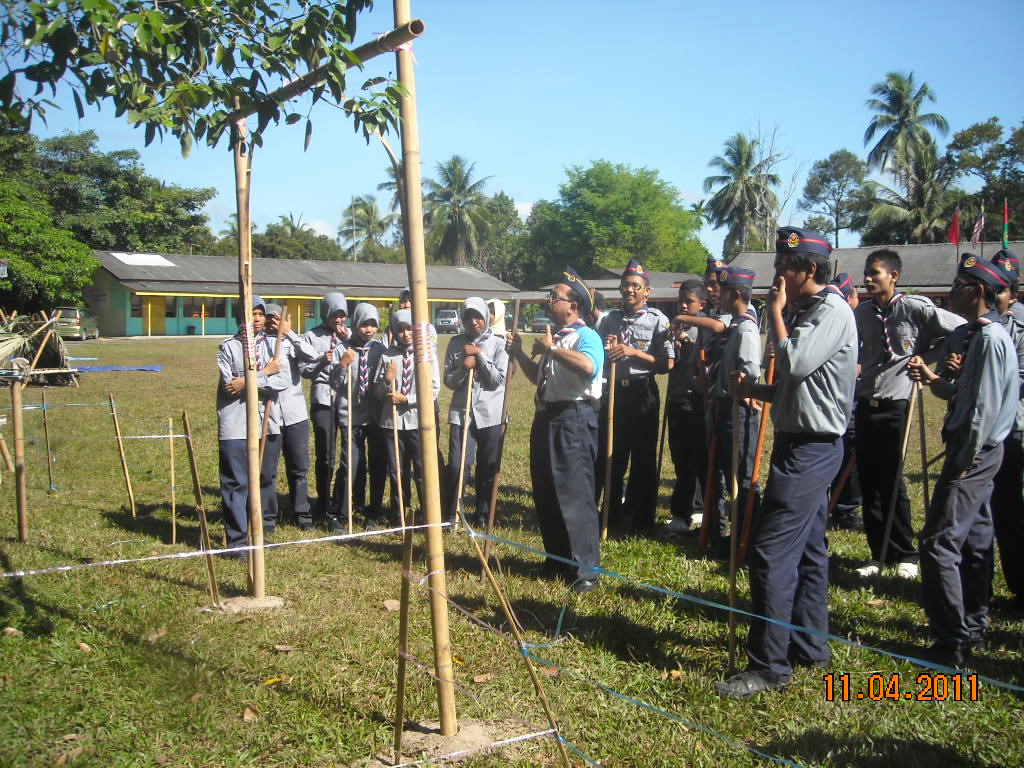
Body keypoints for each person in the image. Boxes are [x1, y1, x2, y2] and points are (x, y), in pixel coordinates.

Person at [714, 227, 857, 698]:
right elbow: (800, 388)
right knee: (810, 550)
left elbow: (794, 363)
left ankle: (769, 667)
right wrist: (754, 390)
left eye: (782, 271)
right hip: (798, 443)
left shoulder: (831, 310)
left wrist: (773, 313)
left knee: (771, 551)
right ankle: (811, 646)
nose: (777, 280)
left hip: (812, 450)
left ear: (809, 269)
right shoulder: (810, 311)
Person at [907, 253, 1018, 665]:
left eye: (958, 285)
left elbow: (984, 409)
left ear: (978, 291)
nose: (952, 292)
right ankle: (972, 626)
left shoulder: (989, 339)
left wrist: (965, 457)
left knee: (938, 543)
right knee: (975, 538)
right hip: (979, 449)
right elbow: (965, 394)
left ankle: (951, 640)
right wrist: (935, 379)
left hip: (975, 452)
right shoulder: (977, 335)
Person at [852, 249, 964, 579]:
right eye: (866, 273)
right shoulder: (863, 313)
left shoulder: (915, 308)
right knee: (869, 479)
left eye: (874, 273)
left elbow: (959, 329)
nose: (868, 279)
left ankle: (904, 552)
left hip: (897, 402)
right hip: (866, 401)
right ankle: (878, 553)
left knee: (891, 478)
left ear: (893, 277)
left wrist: (927, 358)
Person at [507, 267, 604, 593]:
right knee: (547, 491)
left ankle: (586, 570)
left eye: (555, 297)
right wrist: (519, 353)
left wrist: (551, 350)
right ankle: (557, 559)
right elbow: (540, 378)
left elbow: (589, 367)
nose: (549, 301)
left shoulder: (586, 336)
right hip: (547, 417)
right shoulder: (559, 338)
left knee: (575, 494)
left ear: (573, 305)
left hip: (573, 420)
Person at [594, 259, 674, 533]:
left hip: (643, 392)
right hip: (615, 392)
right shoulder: (610, 320)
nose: (630, 290)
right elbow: (598, 358)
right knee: (613, 454)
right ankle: (611, 513)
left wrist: (633, 352)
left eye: (636, 286)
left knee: (643, 458)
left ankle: (642, 518)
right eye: (626, 285)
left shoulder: (657, 320)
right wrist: (607, 351)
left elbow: (667, 364)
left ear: (646, 292)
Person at [216, 296, 290, 557]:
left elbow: (282, 381)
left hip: (266, 423)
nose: (256, 319)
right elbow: (230, 386)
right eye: (250, 314)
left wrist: (248, 381)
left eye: (260, 314)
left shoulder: (273, 345)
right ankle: (237, 541)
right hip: (236, 423)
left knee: (264, 478)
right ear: (239, 317)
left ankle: (257, 533)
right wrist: (264, 373)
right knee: (236, 482)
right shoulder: (228, 348)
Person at [706, 266, 761, 556]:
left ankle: (747, 538)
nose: (719, 295)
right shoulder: (735, 325)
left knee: (742, 476)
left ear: (736, 294)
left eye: (724, 291)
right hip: (723, 406)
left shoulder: (747, 329)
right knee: (727, 473)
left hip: (738, 409)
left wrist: (744, 383)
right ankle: (728, 535)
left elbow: (750, 370)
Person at [442, 298, 508, 528]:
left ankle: (482, 514)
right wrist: (463, 367)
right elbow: (449, 381)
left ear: (486, 317)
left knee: (488, 465)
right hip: (462, 413)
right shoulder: (455, 343)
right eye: (468, 317)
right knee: (457, 464)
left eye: (478, 316)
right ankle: (453, 513)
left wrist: (479, 355)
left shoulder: (498, 344)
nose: (474, 322)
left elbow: (497, 380)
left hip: (491, 414)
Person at [985, 251, 1024, 610]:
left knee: (1012, 510)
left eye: (1002, 288)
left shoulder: (1019, 327)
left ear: (1013, 293)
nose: (995, 294)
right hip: (993, 430)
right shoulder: (978, 326)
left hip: (1015, 427)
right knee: (1000, 509)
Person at [376, 309, 440, 525]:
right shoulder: (387, 356)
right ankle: (400, 517)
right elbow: (376, 393)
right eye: (401, 330)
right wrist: (386, 381)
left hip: (417, 422)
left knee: (422, 471)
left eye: (409, 329)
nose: (405, 334)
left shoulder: (426, 355)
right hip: (391, 423)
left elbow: (433, 390)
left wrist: (407, 399)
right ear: (394, 332)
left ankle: (428, 516)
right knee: (397, 472)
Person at [662, 280, 716, 535]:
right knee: (680, 457)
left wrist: (686, 343)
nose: (683, 305)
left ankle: (696, 510)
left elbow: (706, 359)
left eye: (689, 301)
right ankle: (685, 511)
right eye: (680, 301)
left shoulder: (704, 327)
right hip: (676, 397)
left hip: (696, 400)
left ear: (701, 304)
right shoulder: (676, 325)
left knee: (697, 458)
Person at [329, 302, 387, 531]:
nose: (368, 329)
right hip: (351, 415)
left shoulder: (381, 350)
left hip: (376, 417)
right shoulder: (342, 349)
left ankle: (373, 512)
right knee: (350, 464)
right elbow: (333, 383)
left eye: (373, 325)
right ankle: (340, 513)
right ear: (355, 325)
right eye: (364, 324)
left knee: (377, 464)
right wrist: (341, 366)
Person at [262, 304, 318, 531]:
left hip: (295, 415)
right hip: (269, 416)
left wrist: (289, 333)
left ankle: (302, 513)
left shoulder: (291, 343)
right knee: (267, 470)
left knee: (299, 468)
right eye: (268, 318)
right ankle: (268, 518)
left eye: (276, 318)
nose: (271, 322)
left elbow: (313, 356)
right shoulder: (258, 344)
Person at [300, 292, 349, 523]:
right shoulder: (311, 336)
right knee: (326, 454)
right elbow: (305, 370)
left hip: (346, 399)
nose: (339, 320)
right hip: (323, 398)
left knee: (347, 452)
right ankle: (323, 500)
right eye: (334, 315)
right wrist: (322, 361)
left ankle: (341, 499)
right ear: (325, 314)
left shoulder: (350, 335)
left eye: (342, 315)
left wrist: (349, 340)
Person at [824, 274, 864, 532]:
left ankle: (846, 508)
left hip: (857, 395)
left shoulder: (862, 321)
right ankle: (830, 504)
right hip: (835, 397)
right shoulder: (831, 321)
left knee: (851, 452)